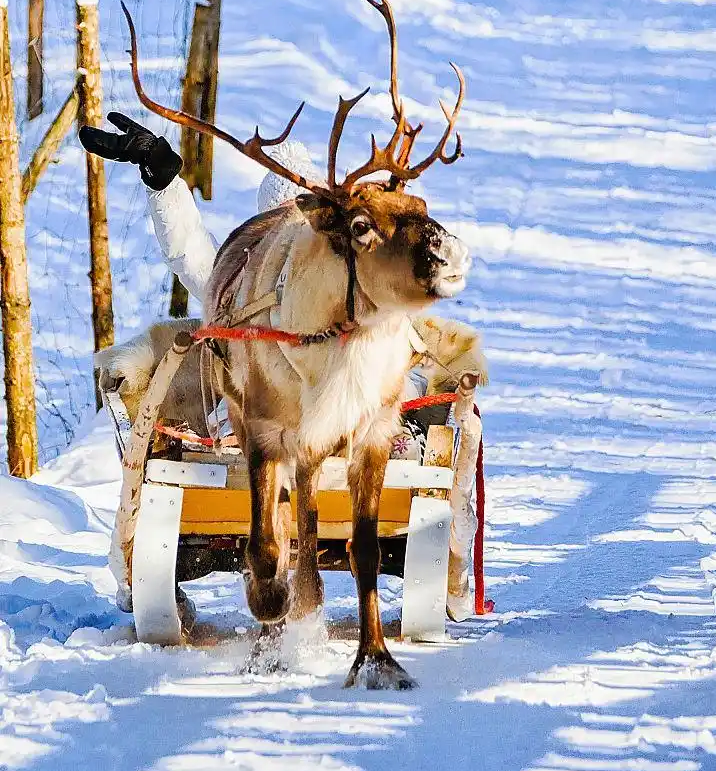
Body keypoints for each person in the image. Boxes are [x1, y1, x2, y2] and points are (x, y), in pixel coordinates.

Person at [79, 113, 484, 619]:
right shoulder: (241, 287)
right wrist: (162, 176)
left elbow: (187, 248)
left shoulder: (362, 296)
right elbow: (189, 249)